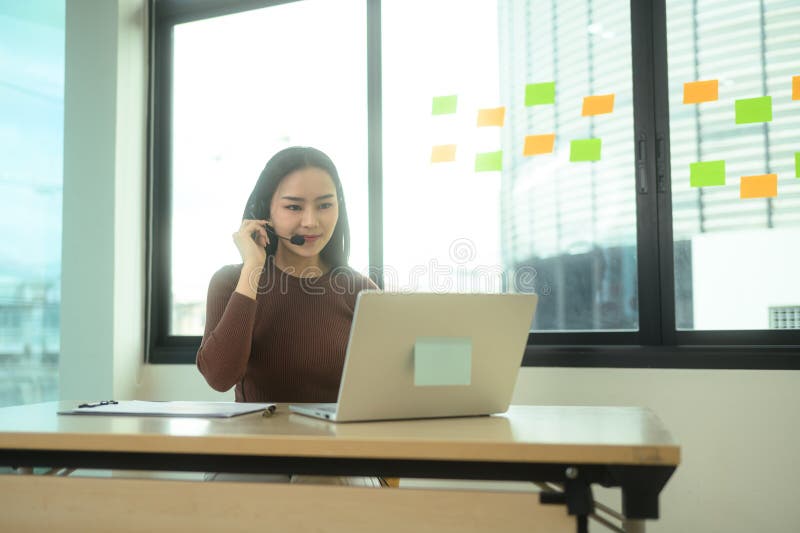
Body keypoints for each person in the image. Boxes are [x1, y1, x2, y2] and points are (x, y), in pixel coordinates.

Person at [197, 146, 383, 486]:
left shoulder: (362, 291)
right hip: (253, 453)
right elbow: (220, 376)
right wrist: (253, 268)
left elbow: (386, 390)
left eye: (325, 205)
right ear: (267, 210)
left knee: (321, 484)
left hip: (337, 455)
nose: (310, 221)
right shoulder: (231, 282)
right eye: (293, 206)